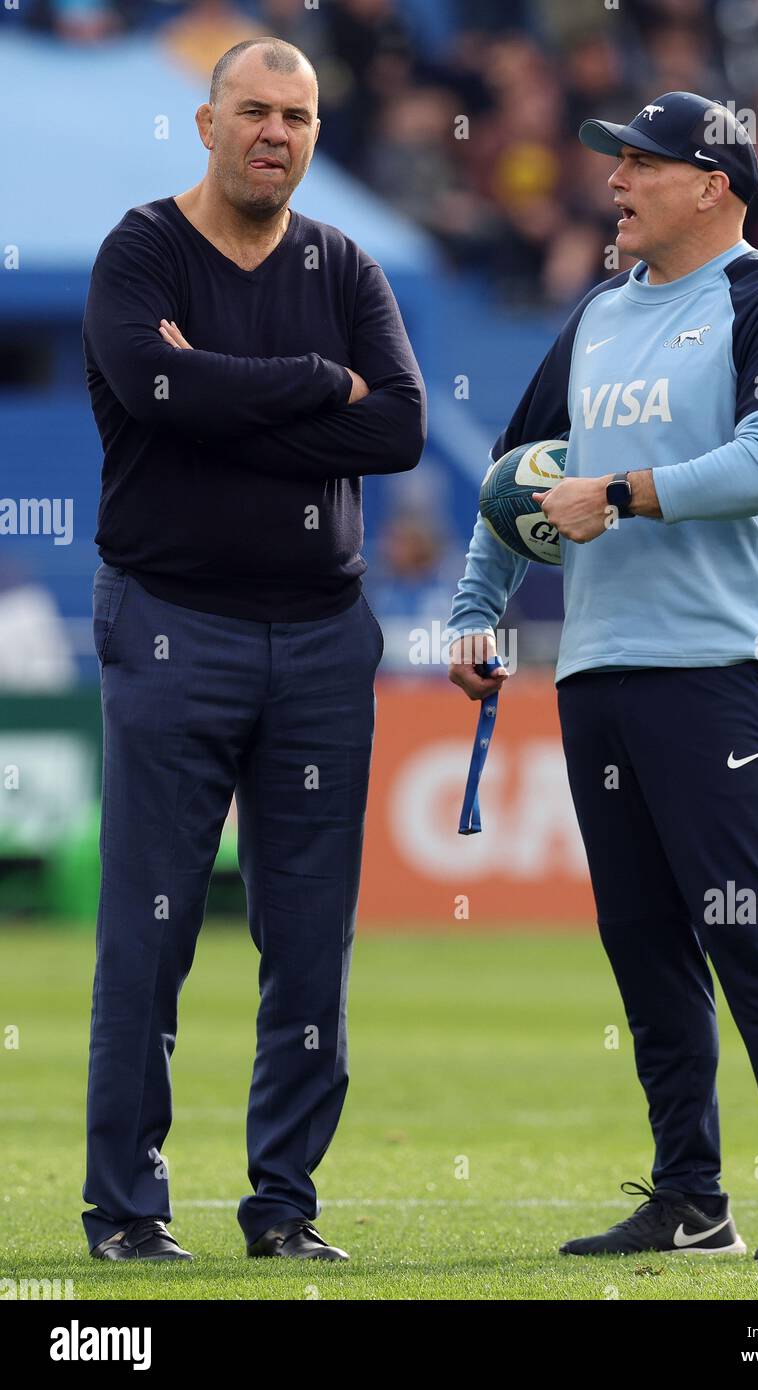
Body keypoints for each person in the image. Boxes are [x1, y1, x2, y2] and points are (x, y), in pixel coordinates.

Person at [447, 91, 758, 1261]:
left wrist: (616, 494)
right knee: (641, 941)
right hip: (596, 673)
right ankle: (690, 1198)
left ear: (711, 183)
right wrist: (478, 612)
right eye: (614, 162)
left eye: (641, 163)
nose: (615, 181)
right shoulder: (595, 316)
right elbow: (515, 476)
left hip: (716, 669)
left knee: (747, 931)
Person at [81, 37, 425, 1262]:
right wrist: (314, 383)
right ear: (206, 121)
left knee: (310, 941)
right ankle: (126, 1211)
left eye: (298, 114)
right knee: (151, 933)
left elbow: (397, 432)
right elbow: (150, 387)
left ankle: (283, 1207)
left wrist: (230, 402)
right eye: (254, 111)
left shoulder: (345, 262)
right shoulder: (139, 250)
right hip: (174, 625)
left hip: (325, 641)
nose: (276, 132)